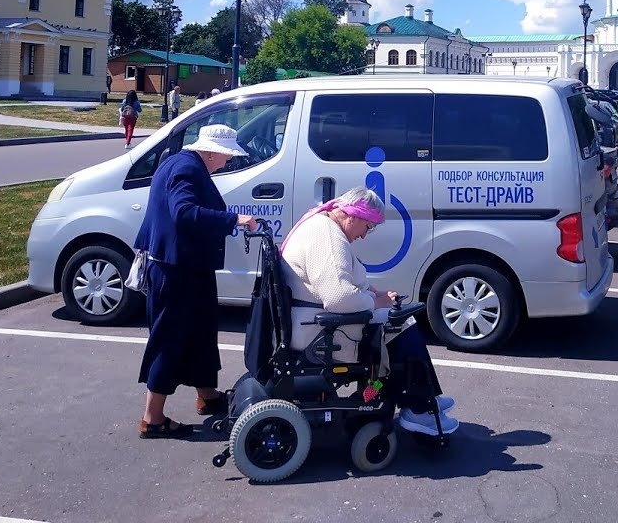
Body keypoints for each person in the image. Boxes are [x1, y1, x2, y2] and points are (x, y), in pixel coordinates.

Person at [280, 186, 459, 435]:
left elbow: (340, 280)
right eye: (367, 227)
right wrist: (376, 302)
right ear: (353, 216)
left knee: (400, 322)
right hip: (319, 329)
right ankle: (418, 408)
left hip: (311, 319)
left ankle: (417, 399)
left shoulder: (321, 224)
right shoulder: (328, 237)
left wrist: (374, 293)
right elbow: (339, 296)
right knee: (401, 328)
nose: (365, 235)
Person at [133, 124, 257, 439]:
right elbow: (183, 212)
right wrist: (234, 220)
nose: (228, 162)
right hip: (176, 269)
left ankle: (207, 394)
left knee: (200, 332)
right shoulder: (187, 170)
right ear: (213, 151)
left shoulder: (180, 163)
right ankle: (153, 418)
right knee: (169, 339)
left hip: (187, 265)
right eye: (227, 156)